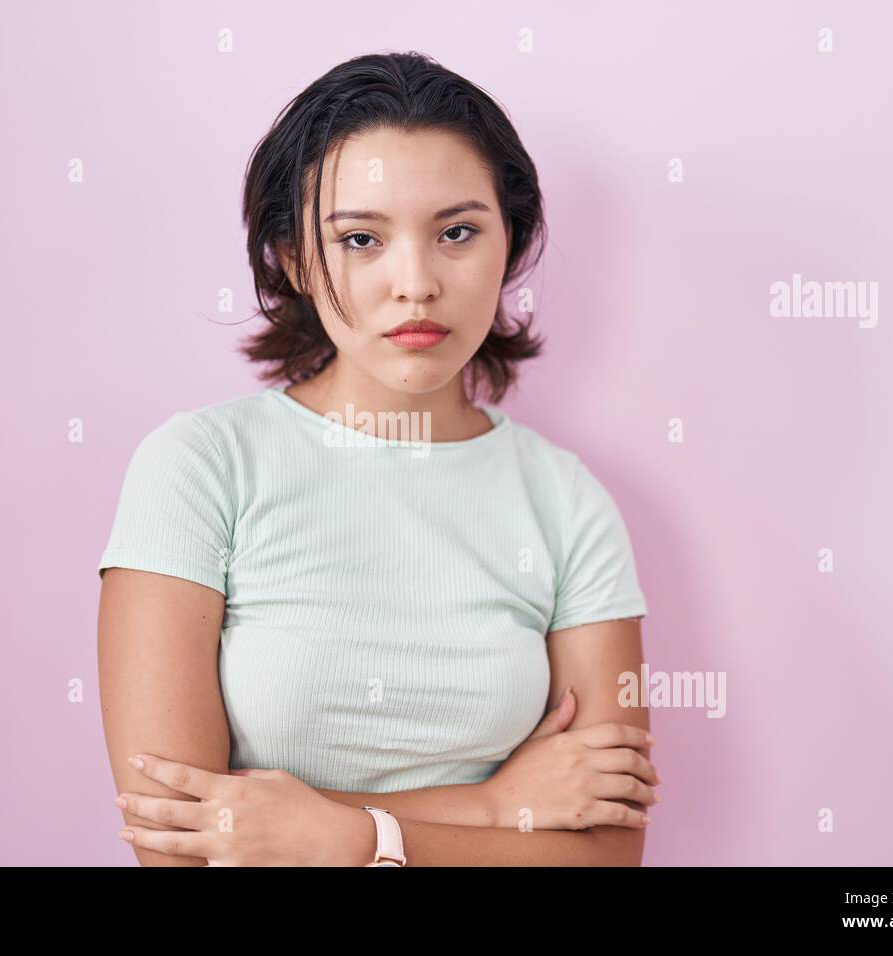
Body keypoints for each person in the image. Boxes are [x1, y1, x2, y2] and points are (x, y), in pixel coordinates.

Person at [96, 51, 659, 866]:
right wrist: (495, 807)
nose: (416, 283)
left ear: (513, 243)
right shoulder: (198, 468)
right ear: (291, 260)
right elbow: (179, 843)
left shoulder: (567, 502)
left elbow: (606, 854)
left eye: (457, 232)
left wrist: (336, 838)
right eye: (361, 238)